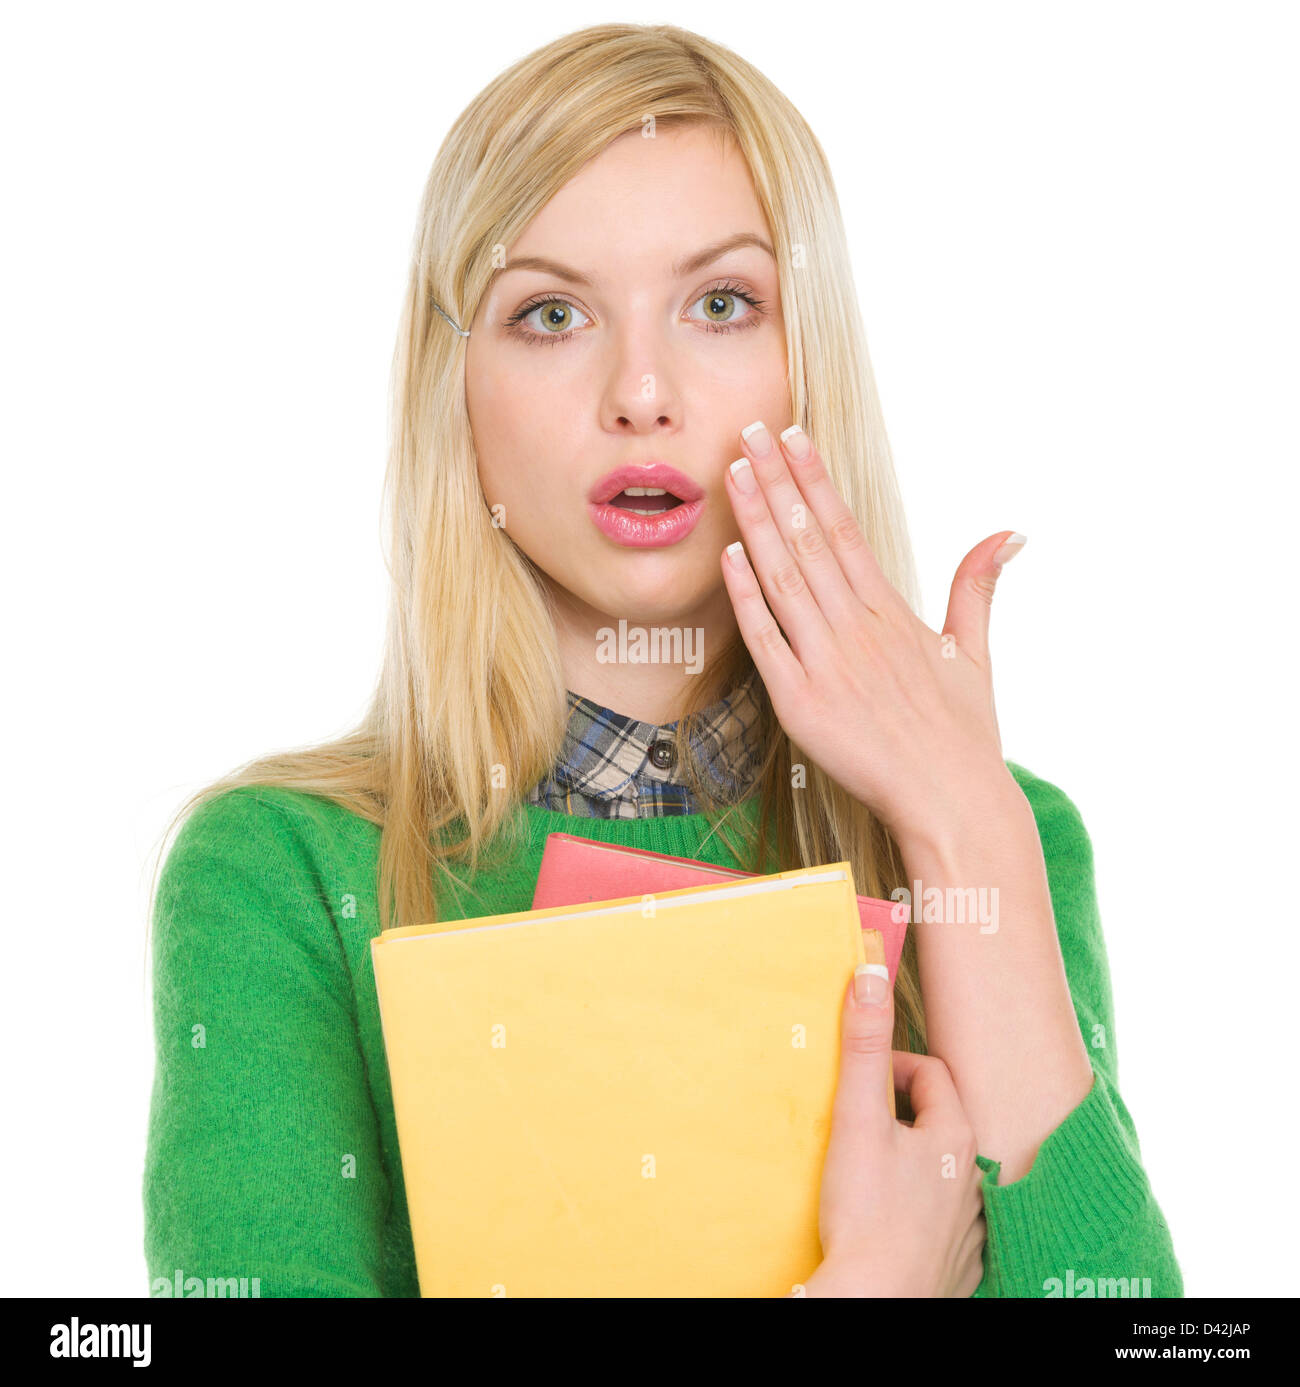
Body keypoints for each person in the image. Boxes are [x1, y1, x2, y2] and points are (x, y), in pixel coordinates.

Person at [143, 22, 1182, 1298]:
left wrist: (966, 826)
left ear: (809, 368)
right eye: (552, 313)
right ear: (453, 389)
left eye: (722, 303)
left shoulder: (1010, 841)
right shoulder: (281, 873)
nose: (641, 390)